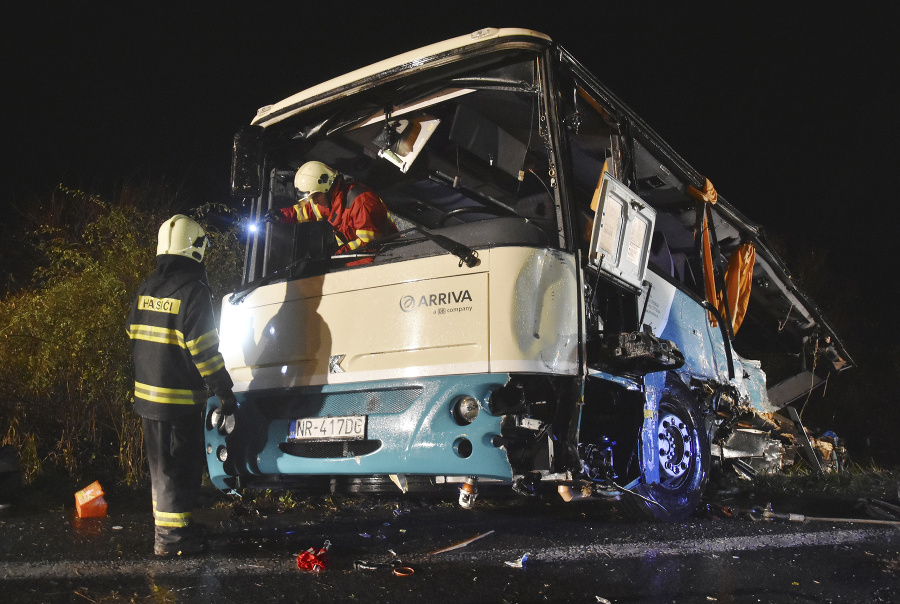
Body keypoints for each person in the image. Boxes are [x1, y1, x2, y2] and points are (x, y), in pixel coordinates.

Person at [127, 214, 237, 557]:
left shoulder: (147, 287)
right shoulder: (192, 292)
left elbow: (131, 332)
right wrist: (224, 391)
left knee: (163, 469)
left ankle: (178, 530)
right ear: (196, 249)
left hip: (147, 399)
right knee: (178, 470)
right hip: (178, 401)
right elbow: (205, 352)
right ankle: (172, 541)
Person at [265, 161, 398, 254]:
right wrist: (282, 215)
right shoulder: (330, 200)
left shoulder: (361, 203)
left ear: (326, 187)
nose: (315, 202)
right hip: (355, 259)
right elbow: (307, 210)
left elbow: (370, 244)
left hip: (385, 257)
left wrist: (336, 254)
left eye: (315, 196)